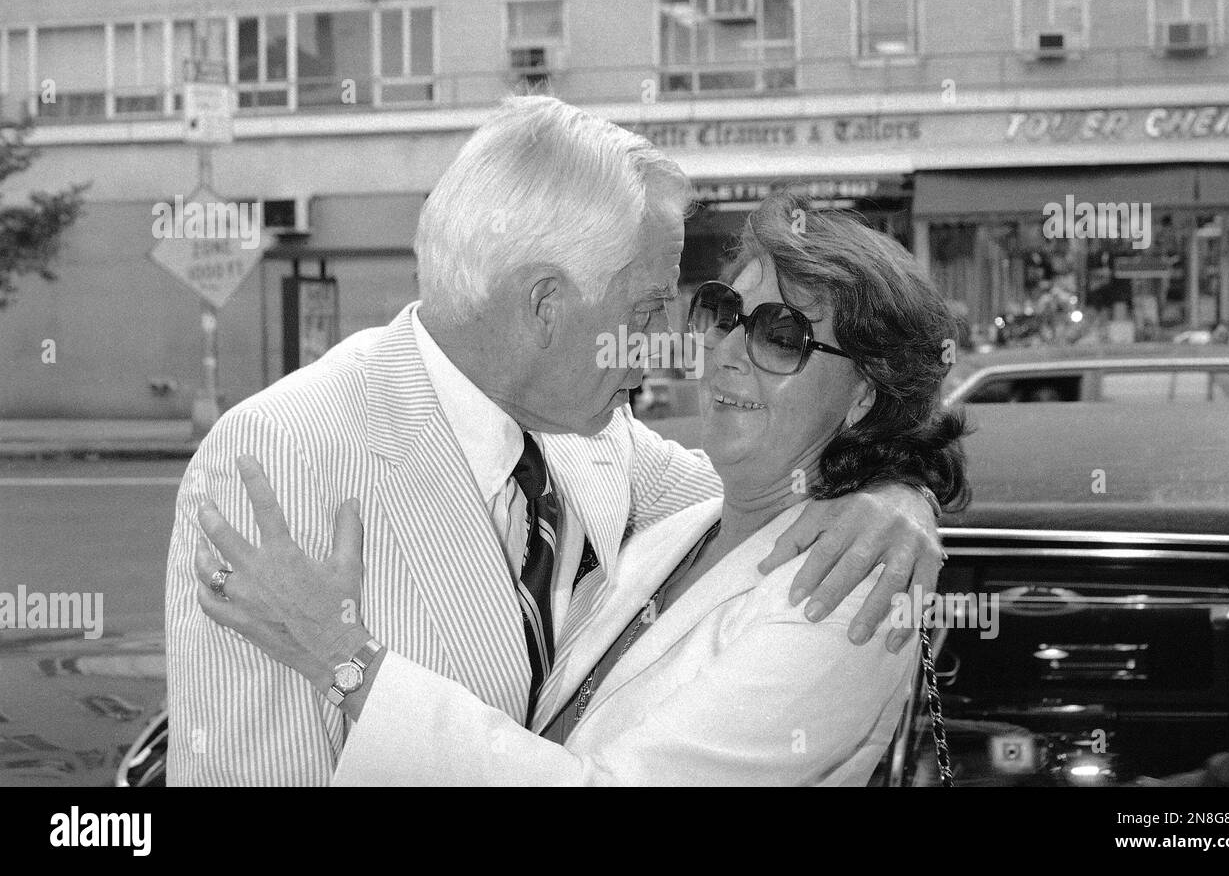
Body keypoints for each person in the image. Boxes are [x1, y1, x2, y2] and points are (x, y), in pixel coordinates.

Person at [165, 97, 945, 785]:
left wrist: (898, 493)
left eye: (776, 334)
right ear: (546, 304)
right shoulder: (280, 458)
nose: (664, 347)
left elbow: (777, 498)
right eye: (646, 310)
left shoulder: (596, 437)